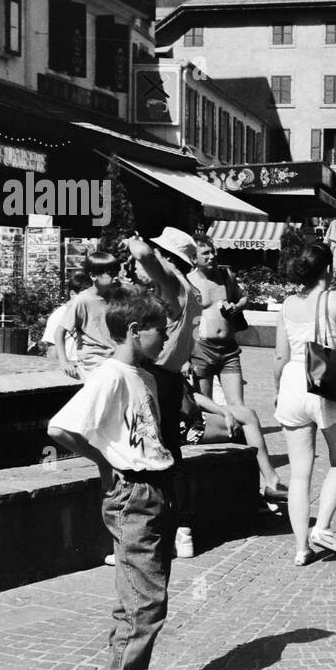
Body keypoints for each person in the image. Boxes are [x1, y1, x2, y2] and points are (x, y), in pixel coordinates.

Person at [47, 290, 182, 670]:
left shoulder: (138, 372)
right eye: (160, 329)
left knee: (140, 597)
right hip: (133, 493)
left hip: (152, 489)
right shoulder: (112, 375)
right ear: (133, 331)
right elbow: (61, 427)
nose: (165, 338)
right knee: (144, 602)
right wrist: (106, 462)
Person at [273, 244, 336, 565]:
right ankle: (323, 527)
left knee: (299, 474)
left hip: (292, 382)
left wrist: (279, 390)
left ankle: (301, 548)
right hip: (326, 384)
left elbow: (280, 355)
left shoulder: (287, 304)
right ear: (328, 269)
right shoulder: (335, 298)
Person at [128, 229, 204, 562]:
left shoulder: (173, 284)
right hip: (170, 378)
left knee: (147, 453)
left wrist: (135, 243)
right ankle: (182, 529)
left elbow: (145, 256)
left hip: (156, 376)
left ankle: (147, 536)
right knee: (171, 451)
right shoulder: (191, 290)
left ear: (167, 257)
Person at [180, 377, 288, 505]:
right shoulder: (162, 366)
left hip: (191, 415)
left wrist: (224, 412)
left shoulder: (166, 364)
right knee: (243, 425)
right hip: (184, 427)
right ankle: (260, 491)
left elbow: (193, 395)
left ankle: (263, 487)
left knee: (247, 414)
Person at [187, 234, 248, 407]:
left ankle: (238, 434)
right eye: (205, 253)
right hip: (202, 349)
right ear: (193, 258)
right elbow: (187, 319)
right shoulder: (188, 282)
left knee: (237, 404)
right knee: (205, 406)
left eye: (213, 251)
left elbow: (243, 297)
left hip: (229, 349)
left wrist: (237, 307)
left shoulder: (226, 275)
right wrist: (188, 352)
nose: (212, 256)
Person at [59, 252, 121, 379]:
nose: (116, 278)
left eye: (117, 273)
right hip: (94, 362)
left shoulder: (114, 297)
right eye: (111, 274)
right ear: (93, 275)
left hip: (114, 357)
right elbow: (59, 333)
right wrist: (64, 362)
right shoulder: (81, 301)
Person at [42, 271, 93, 363]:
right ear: (72, 294)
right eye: (86, 295)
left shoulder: (88, 312)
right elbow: (52, 348)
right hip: (68, 365)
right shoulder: (59, 315)